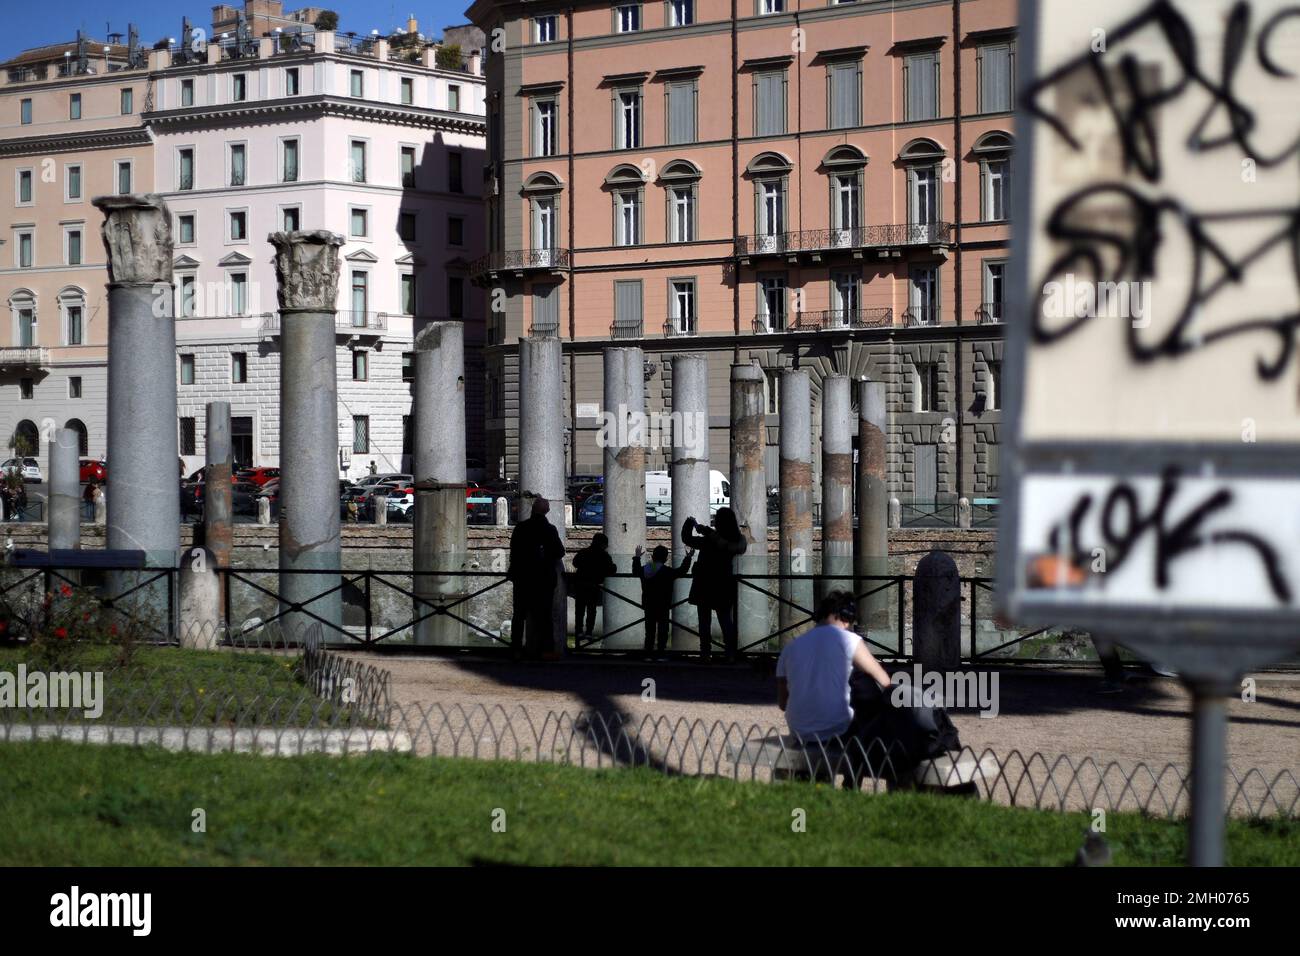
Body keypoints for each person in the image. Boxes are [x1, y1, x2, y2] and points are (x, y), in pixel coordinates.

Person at [777, 591, 962, 789]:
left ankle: (841, 782)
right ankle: (867, 785)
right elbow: (885, 683)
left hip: (800, 732)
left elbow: (782, 703)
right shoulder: (848, 640)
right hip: (836, 733)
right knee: (880, 718)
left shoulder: (790, 648)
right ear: (847, 619)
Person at [681, 508, 746, 662]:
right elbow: (735, 548)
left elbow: (687, 539)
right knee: (725, 620)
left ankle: (705, 653)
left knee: (704, 621)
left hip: (704, 582)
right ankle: (730, 653)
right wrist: (708, 532)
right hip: (724, 583)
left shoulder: (708, 540)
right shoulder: (736, 539)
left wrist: (689, 524)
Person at [508, 496, 566, 660]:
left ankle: (516, 649)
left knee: (519, 615)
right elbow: (559, 552)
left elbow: (514, 551)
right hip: (543, 578)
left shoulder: (521, 527)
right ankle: (546, 650)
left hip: (522, 577)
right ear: (547, 511)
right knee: (545, 616)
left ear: (533, 509)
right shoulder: (549, 529)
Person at [633, 544, 693, 659]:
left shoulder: (646, 569)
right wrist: (688, 557)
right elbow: (682, 571)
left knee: (649, 630)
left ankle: (648, 653)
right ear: (666, 558)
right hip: (663, 604)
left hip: (648, 603)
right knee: (663, 630)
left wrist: (637, 557)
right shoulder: (667, 571)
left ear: (652, 557)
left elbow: (635, 571)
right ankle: (660, 653)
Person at [571, 532, 616, 641]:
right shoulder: (604, 556)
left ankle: (579, 631)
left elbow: (575, 563)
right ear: (603, 544)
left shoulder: (583, 552)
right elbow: (611, 570)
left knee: (580, 610)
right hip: (593, 585)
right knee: (591, 610)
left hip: (581, 584)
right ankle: (589, 632)